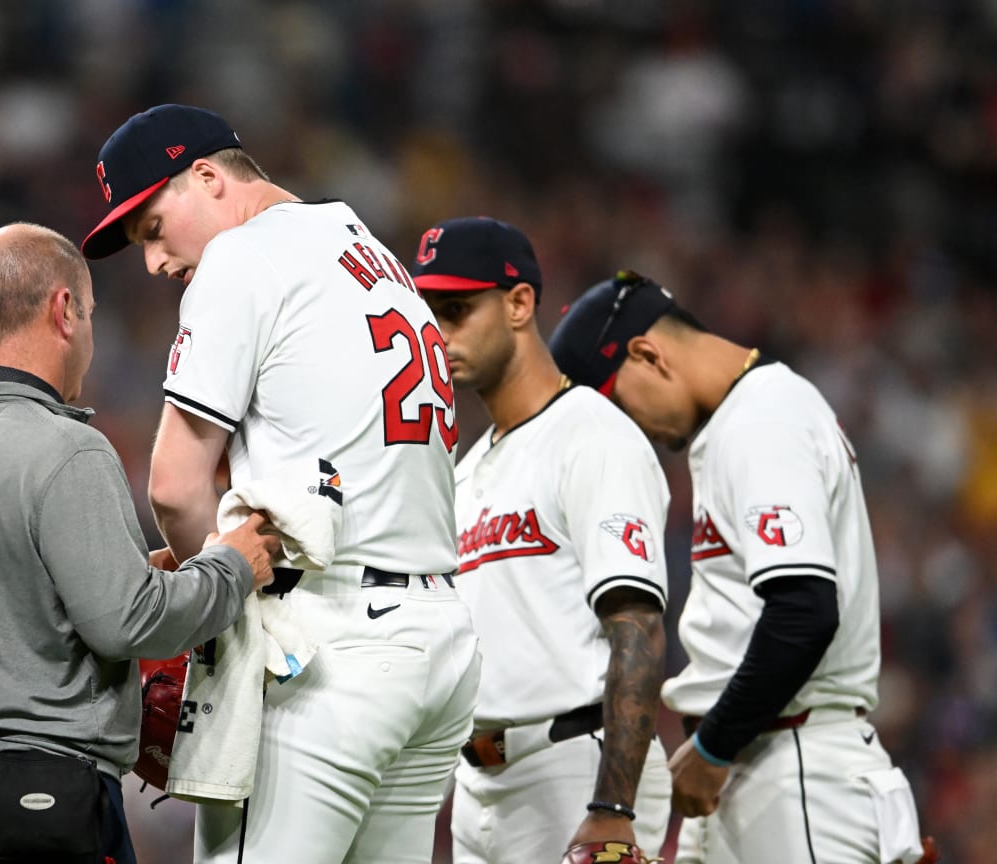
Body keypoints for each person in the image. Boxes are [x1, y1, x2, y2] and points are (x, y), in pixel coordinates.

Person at [82, 104, 480, 864]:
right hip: (437, 644)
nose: (154, 262)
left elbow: (172, 485)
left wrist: (218, 590)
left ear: (206, 177)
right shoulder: (371, 252)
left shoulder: (245, 257)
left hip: (326, 652)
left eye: (153, 228)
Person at [0, 222, 280, 864]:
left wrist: (137, 573)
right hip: (35, 807)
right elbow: (128, 622)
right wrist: (233, 566)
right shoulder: (66, 447)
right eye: (89, 312)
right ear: (64, 309)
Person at [549, 272, 930, 864]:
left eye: (617, 406)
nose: (629, 432)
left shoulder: (761, 419)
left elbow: (803, 610)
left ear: (647, 354)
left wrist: (713, 745)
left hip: (796, 770)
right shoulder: (742, 420)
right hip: (764, 765)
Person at [410, 218, 671, 863]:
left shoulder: (592, 436)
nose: (439, 336)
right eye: (430, 315)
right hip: (478, 784)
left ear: (520, 303)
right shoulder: (466, 472)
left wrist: (612, 808)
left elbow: (636, 622)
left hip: (577, 769)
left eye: (458, 310)